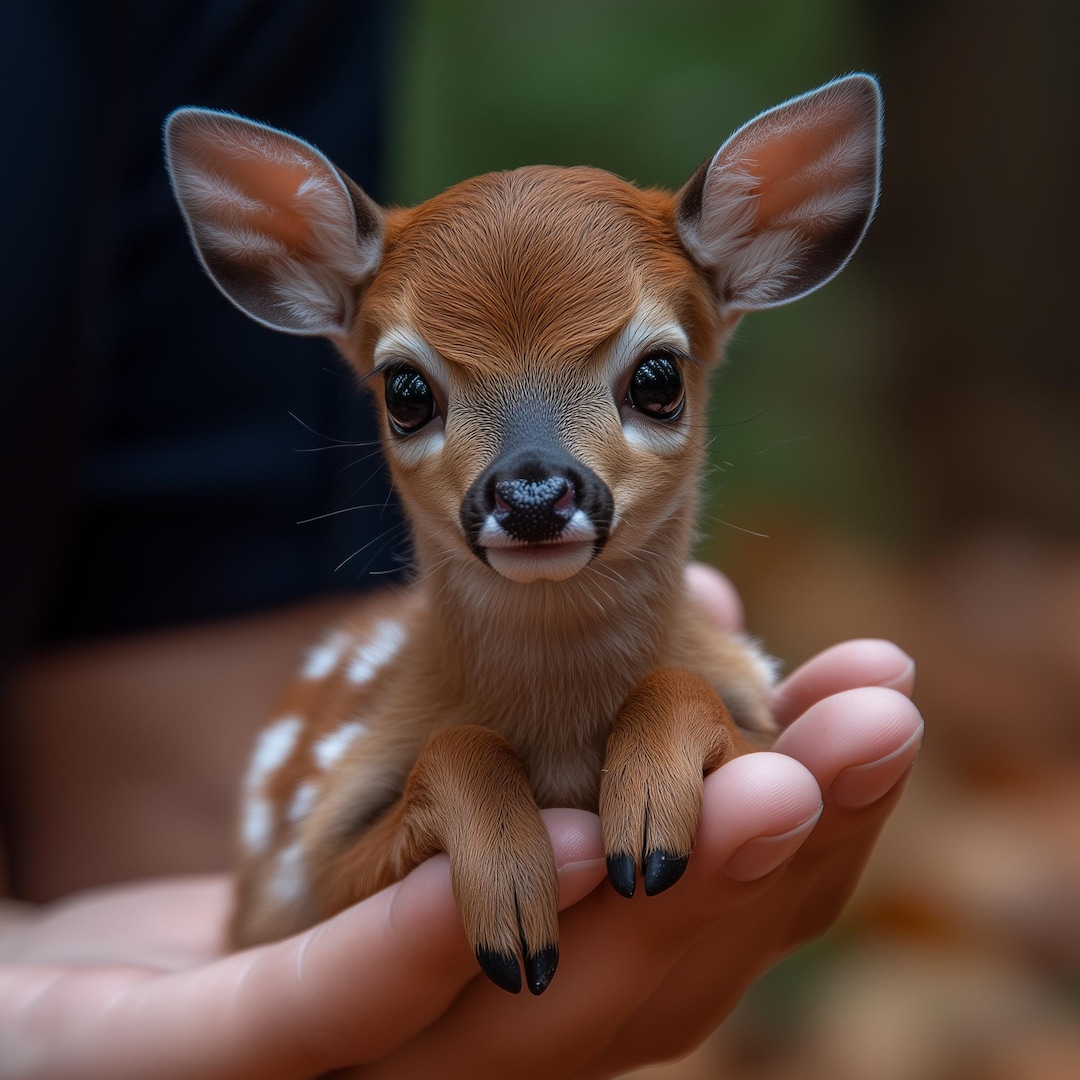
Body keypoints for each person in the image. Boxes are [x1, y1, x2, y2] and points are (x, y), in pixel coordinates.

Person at [0, 4, 923, 1075]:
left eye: (648, 384)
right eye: (417, 395)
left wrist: (682, 716)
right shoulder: (393, 722)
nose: (530, 480)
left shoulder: (711, 691)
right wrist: (453, 781)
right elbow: (294, 875)